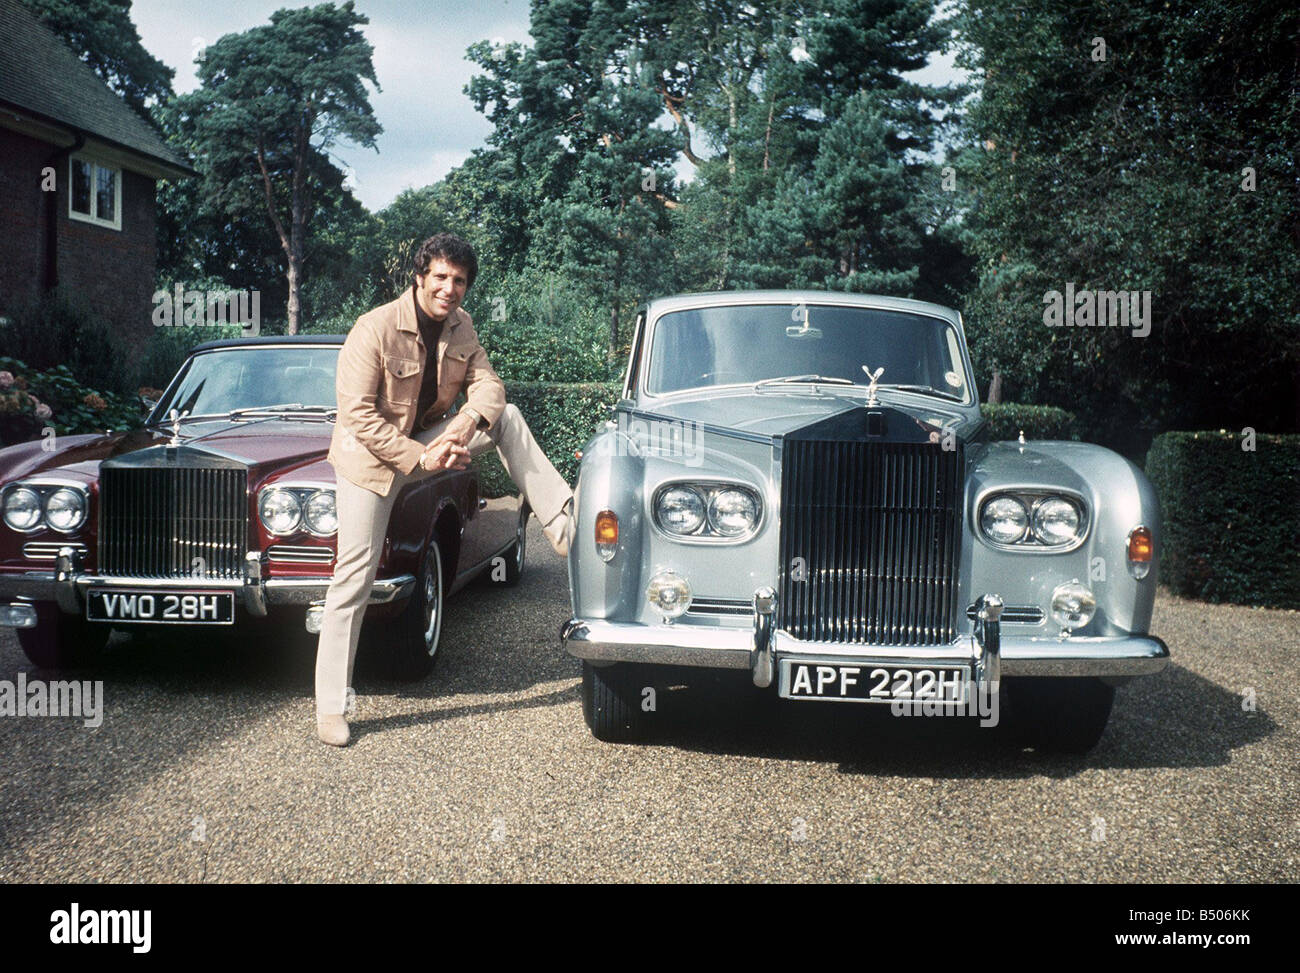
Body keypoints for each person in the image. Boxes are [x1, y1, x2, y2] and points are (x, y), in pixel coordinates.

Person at [315, 233, 573, 747]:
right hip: (369, 462)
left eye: (459, 281)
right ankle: (331, 707)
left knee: (508, 417)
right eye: (440, 277)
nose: (449, 289)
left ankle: (565, 526)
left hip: (432, 442)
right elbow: (358, 416)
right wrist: (423, 458)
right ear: (419, 277)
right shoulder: (373, 329)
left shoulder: (462, 326)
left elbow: (490, 386)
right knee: (354, 577)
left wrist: (465, 423)